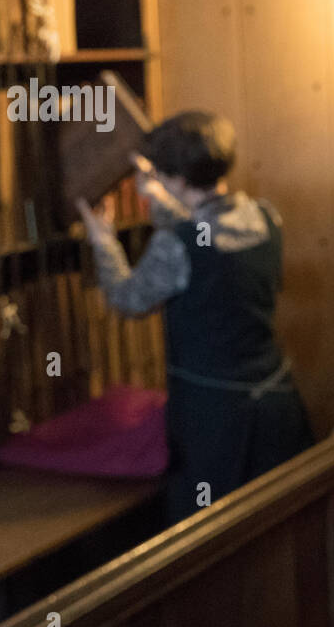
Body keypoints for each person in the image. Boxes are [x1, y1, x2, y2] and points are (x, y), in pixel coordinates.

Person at [77, 110, 314, 523]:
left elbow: (128, 298)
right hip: (279, 407)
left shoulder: (176, 245)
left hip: (214, 422)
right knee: (285, 528)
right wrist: (163, 201)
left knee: (210, 540)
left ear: (179, 180)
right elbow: (212, 235)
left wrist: (103, 241)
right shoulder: (266, 216)